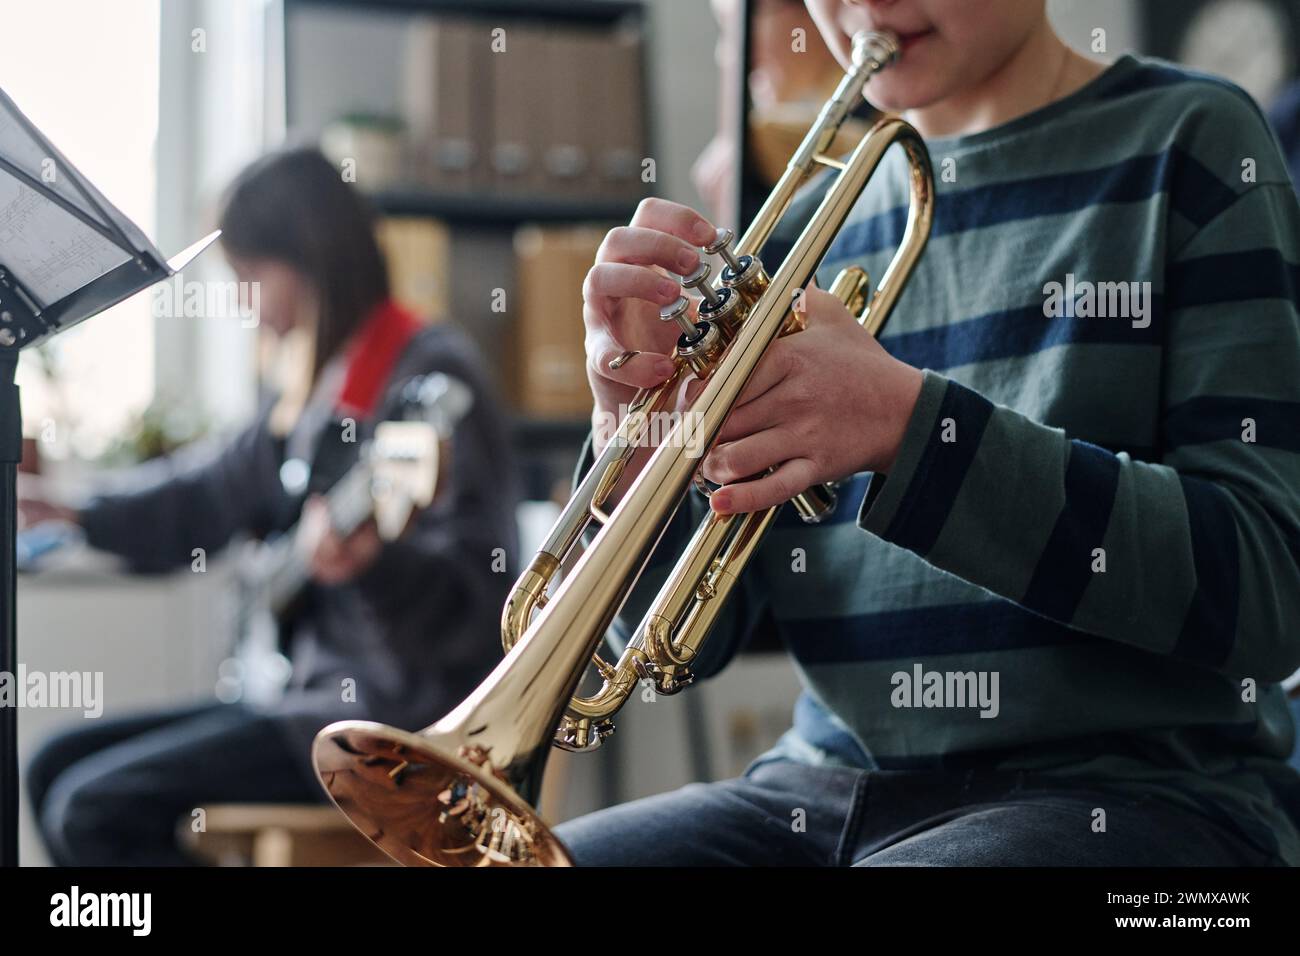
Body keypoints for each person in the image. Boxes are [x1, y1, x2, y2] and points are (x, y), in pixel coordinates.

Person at [558, 0, 1300, 866]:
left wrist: (915, 432)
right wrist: (641, 441)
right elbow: (667, 642)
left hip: (1141, 793)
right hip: (824, 787)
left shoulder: (1197, 140)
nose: (868, 7)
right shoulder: (797, 234)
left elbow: (1267, 587)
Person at [20, 147, 519, 866]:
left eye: (250, 278)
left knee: (94, 810)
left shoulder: (431, 378)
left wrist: (373, 568)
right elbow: (209, 493)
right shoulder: (312, 380)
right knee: (50, 763)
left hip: (391, 725)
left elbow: (476, 606)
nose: (245, 304)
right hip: (299, 701)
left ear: (304, 260)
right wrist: (71, 511)